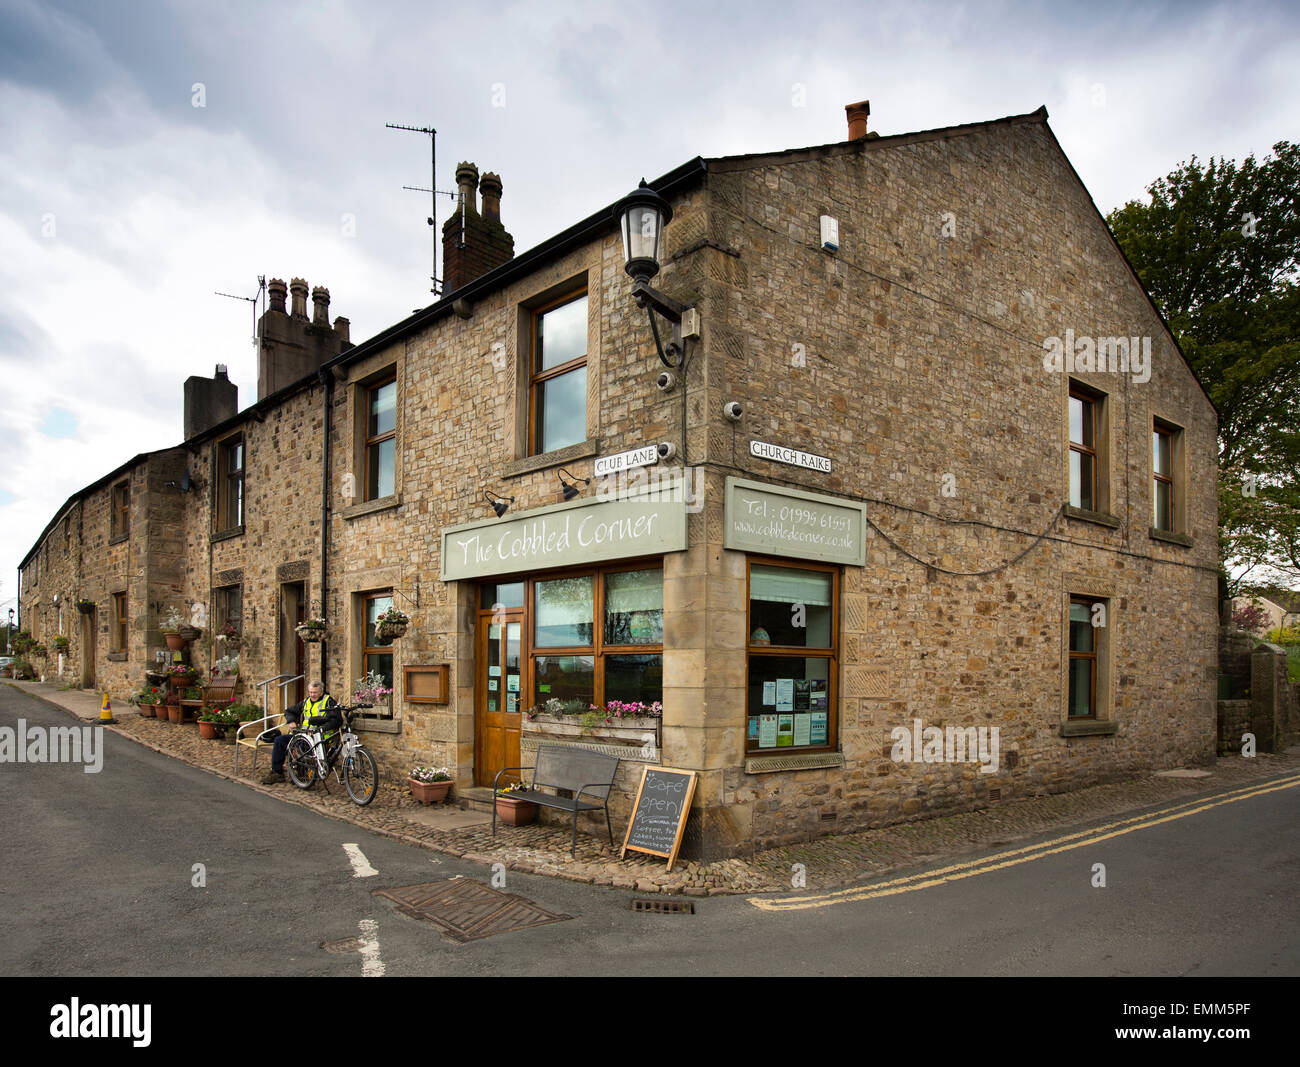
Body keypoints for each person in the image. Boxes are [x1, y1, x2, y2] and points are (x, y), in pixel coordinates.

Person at [260, 680, 341, 785]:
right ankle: (277, 773)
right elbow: (289, 711)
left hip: (319, 738)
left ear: (321, 692)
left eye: (315, 692)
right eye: (310, 692)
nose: (312, 695)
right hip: (303, 735)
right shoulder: (305, 702)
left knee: (302, 747)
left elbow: (336, 721)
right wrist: (291, 721)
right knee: (279, 741)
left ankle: (301, 775)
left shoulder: (329, 702)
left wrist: (320, 729)